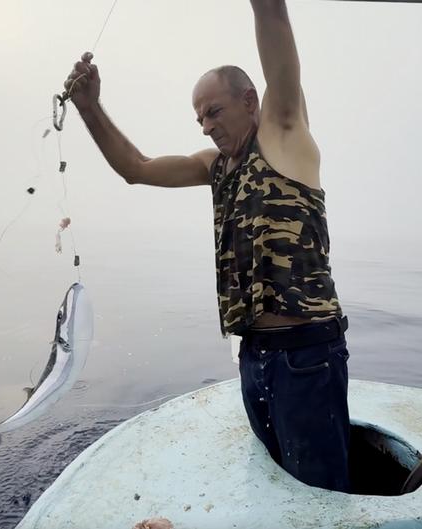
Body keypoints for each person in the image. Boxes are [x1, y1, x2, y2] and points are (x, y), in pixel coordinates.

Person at [65, 0, 351, 492]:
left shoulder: (284, 133)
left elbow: (273, 16)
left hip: (305, 354)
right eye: (199, 118)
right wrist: (89, 107)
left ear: (250, 101)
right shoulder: (214, 167)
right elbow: (136, 169)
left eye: (214, 112)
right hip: (253, 355)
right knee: (277, 486)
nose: (206, 126)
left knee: (321, 496)